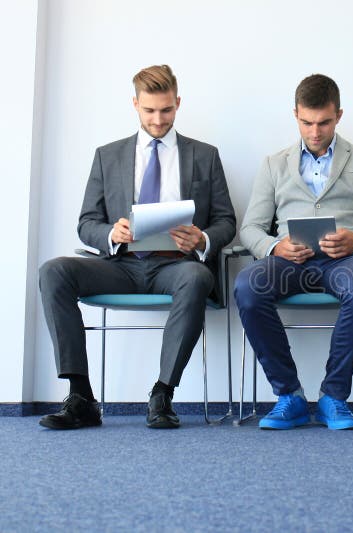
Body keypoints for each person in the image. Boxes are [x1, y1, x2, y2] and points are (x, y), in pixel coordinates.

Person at [38, 65, 236, 430]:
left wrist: (203, 238)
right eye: (149, 110)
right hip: (121, 266)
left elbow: (226, 221)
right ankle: (81, 396)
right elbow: (86, 223)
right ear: (135, 104)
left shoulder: (205, 156)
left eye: (166, 110)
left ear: (177, 103)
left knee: (196, 276)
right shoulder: (107, 156)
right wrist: (112, 234)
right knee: (53, 271)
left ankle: (163, 394)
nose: (158, 119)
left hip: (175, 267)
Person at [235, 74, 353, 430]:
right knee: (248, 287)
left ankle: (334, 397)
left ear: (339, 115)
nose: (315, 131)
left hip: (347, 260)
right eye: (307, 122)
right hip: (287, 261)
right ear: (295, 115)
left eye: (324, 122)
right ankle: (289, 396)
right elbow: (250, 228)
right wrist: (275, 245)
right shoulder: (273, 164)